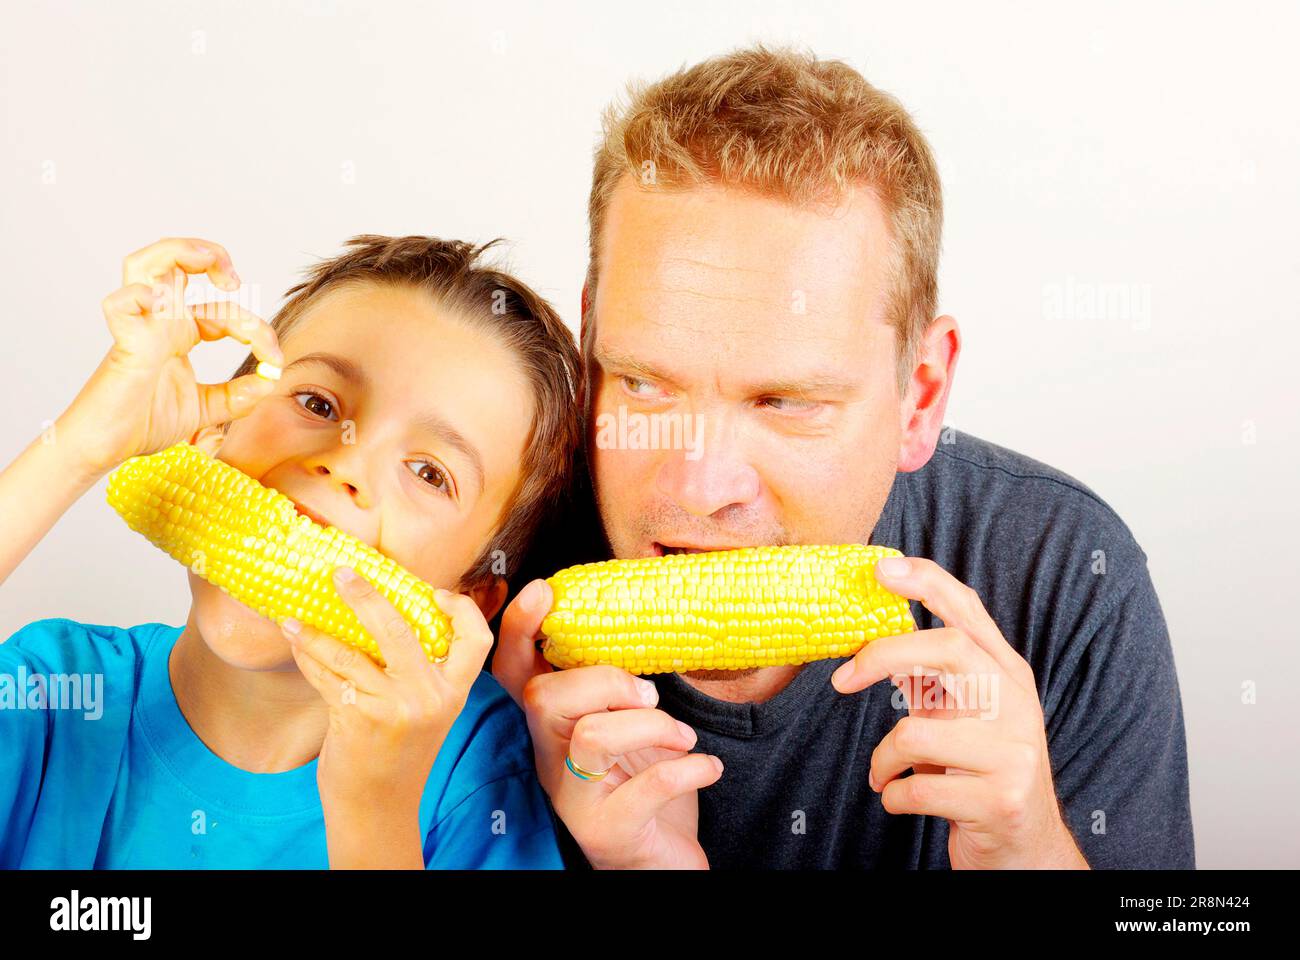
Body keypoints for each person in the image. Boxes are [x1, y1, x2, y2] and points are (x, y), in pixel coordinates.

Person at [492, 45, 1195, 869]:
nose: (701, 484)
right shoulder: (493, 551)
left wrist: (1031, 851)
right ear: (588, 339)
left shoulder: (1062, 571)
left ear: (920, 395)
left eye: (786, 402)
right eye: (644, 382)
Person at [0, 234, 580, 868]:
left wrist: (375, 807)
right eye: (317, 402)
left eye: (429, 472)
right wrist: (79, 447)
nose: (346, 461)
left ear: (470, 597)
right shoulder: (58, 694)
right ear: (214, 431)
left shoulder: (476, 779)